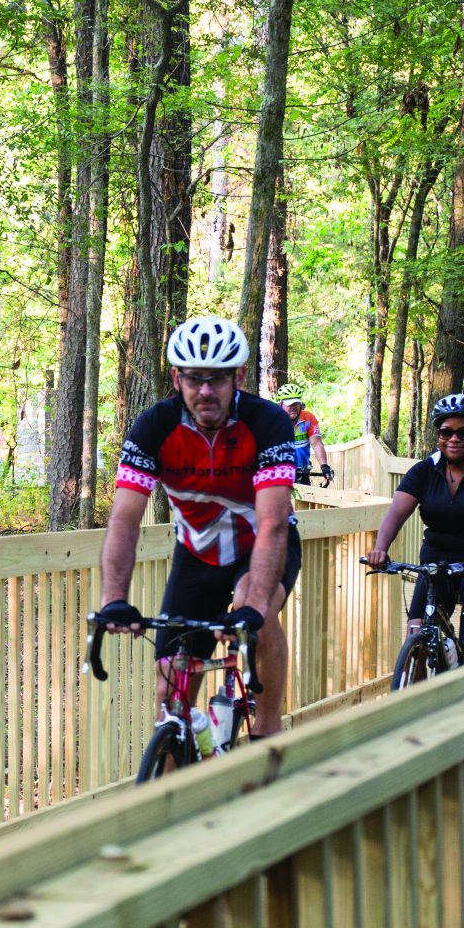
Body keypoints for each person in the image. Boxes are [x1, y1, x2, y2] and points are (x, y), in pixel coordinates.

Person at [93, 315, 300, 735]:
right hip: (197, 552)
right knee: (170, 697)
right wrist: (115, 598)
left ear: (238, 376)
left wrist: (254, 608)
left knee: (256, 605)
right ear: (176, 378)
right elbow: (124, 520)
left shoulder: (266, 423)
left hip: (259, 545)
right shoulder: (155, 426)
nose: (205, 391)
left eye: (218, 379)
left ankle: (267, 725)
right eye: (194, 379)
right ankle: (174, 768)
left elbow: (273, 522)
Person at [362, 393, 464, 653]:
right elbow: (396, 514)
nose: (454, 439)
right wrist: (380, 548)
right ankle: (423, 680)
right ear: (438, 435)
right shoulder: (424, 471)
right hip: (435, 561)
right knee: (416, 636)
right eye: (446, 432)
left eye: (463, 433)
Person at [272, 383, 330, 481]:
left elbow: (316, 443)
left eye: (296, 403)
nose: (293, 407)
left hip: (302, 471)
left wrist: (324, 466)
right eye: (289, 404)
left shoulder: (308, 418)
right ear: (280, 404)